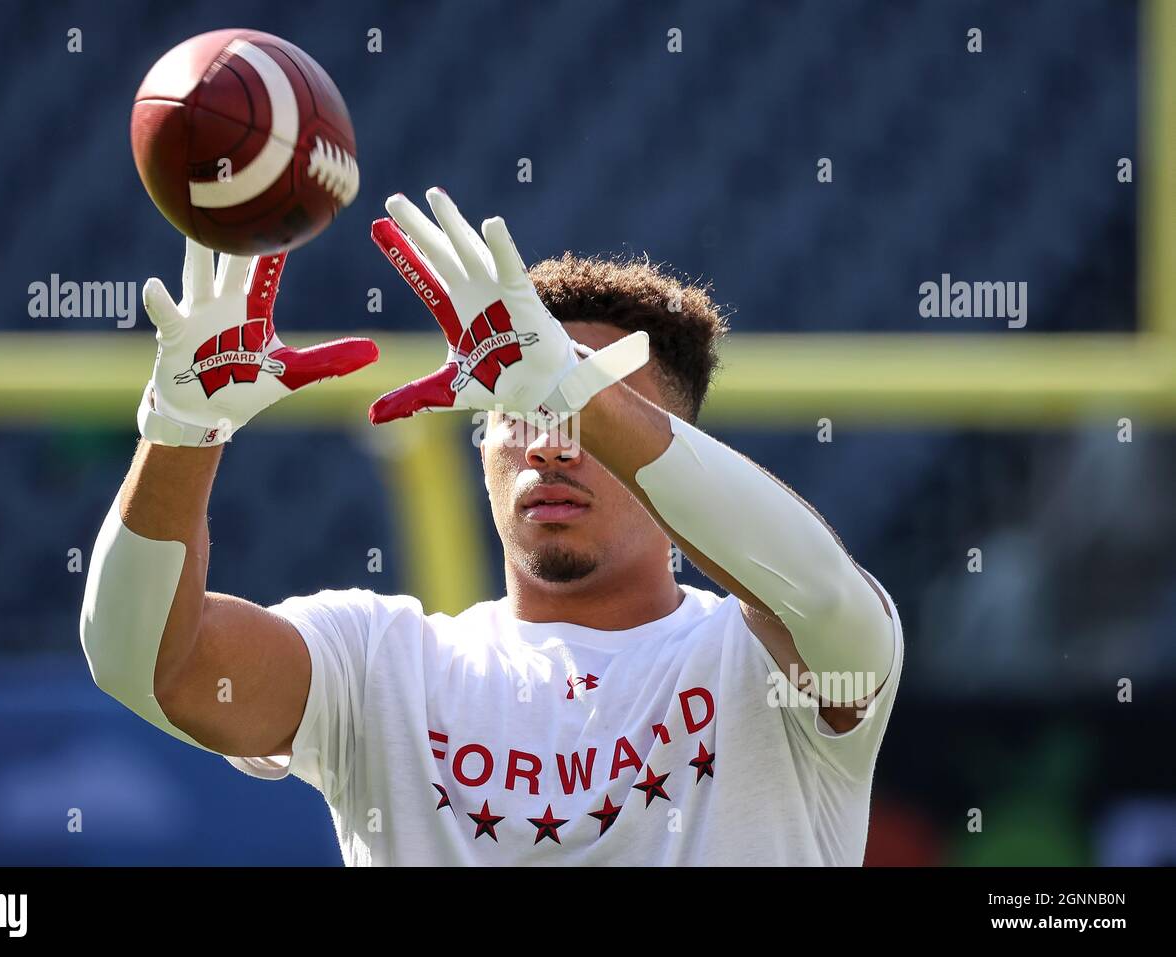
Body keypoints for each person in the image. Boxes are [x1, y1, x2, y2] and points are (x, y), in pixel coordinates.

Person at [80, 188, 902, 865]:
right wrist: (180, 431)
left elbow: (827, 595)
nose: (552, 440)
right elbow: (145, 664)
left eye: (589, 409)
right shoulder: (377, 665)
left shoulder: (761, 658)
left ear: (678, 447)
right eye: (521, 408)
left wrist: (570, 387)